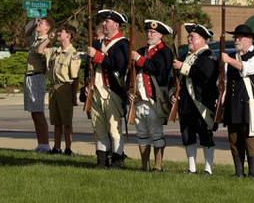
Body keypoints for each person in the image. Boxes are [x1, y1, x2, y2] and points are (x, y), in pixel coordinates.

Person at [221, 23, 254, 178]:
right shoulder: (233, 57)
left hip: (250, 104)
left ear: (249, 40)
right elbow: (227, 82)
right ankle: (239, 172)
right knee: (234, 138)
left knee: (250, 139)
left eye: (240, 37)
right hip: (233, 103)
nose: (236, 40)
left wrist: (227, 59)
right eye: (235, 37)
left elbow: (245, 68)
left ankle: (253, 173)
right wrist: (222, 98)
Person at [171, 22, 218, 175]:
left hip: (202, 103)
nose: (189, 39)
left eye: (192, 36)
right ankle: (191, 168)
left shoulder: (208, 55)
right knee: (188, 136)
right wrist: (175, 94)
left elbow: (205, 75)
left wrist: (183, 67)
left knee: (205, 136)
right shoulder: (188, 56)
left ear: (203, 39)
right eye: (189, 36)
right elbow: (180, 81)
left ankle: (208, 169)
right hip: (187, 103)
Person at [87, 9, 129, 168]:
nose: (104, 24)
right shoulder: (98, 43)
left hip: (112, 90)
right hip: (96, 90)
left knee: (114, 128)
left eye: (107, 21)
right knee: (99, 128)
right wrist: (87, 84)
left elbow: (119, 65)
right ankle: (102, 160)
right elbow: (88, 67)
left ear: (116, 25)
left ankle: (118, 159)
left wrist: (98, 56)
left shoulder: (122, 44)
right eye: (104, 21)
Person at [130, 19, 174, 172]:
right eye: (148, 31)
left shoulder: (165, 52)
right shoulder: (142, 50)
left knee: (156, 133)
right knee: (141, 133)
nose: (149, 34)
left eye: (153, 32)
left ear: (161, 35)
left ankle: (158, 166)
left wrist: (139, 59)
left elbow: (159, 70)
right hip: (139, 99)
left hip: (154, 98)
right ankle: (144, 165)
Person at [45, 24, 81, 155]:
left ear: (69, 35)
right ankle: (56, 147)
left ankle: (68, 148)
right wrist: (50, 37)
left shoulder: (73, 54)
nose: (59, 33)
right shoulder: (55, 51)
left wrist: (73, 94)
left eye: (61, 31)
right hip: (54, 88)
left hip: (65, 87)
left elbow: (75, 77)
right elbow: (40, 50)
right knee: (56, 121)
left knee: (66, 121)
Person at [24, 16, 52, 153]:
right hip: (29, 76)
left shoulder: (46, 41)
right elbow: (26, 32)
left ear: (47, 28)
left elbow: (40, 51)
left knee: (39, 112)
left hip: (37, 76)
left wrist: (49, 37)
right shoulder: (35, 38)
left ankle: (45, 144)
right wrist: (34, 21)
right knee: (33, 113)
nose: (38, 24)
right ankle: (40, 143)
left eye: (41, 23)